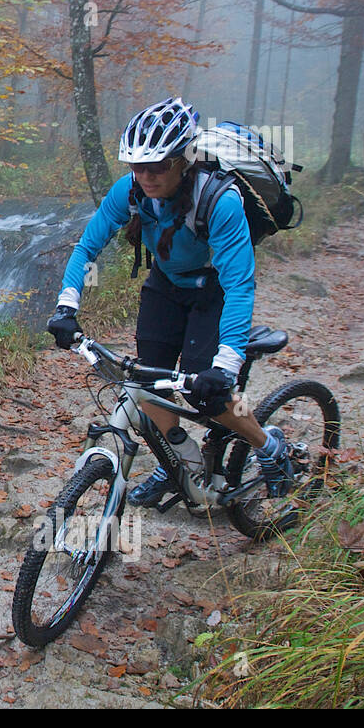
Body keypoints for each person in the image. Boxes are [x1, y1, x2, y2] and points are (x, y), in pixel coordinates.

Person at [46, 97, 294, 507]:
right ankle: (177, 460)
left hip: (213, 290)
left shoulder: (220, 200)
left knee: (206, 394)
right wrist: (66, 307)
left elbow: (239, 285)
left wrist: (226, 365)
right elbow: (87, 246)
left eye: (158, 166)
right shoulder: (130, 191)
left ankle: (269, 446)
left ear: (184, 160)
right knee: (148, 381)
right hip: (165, 285)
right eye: (136, 166)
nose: (145, 176)